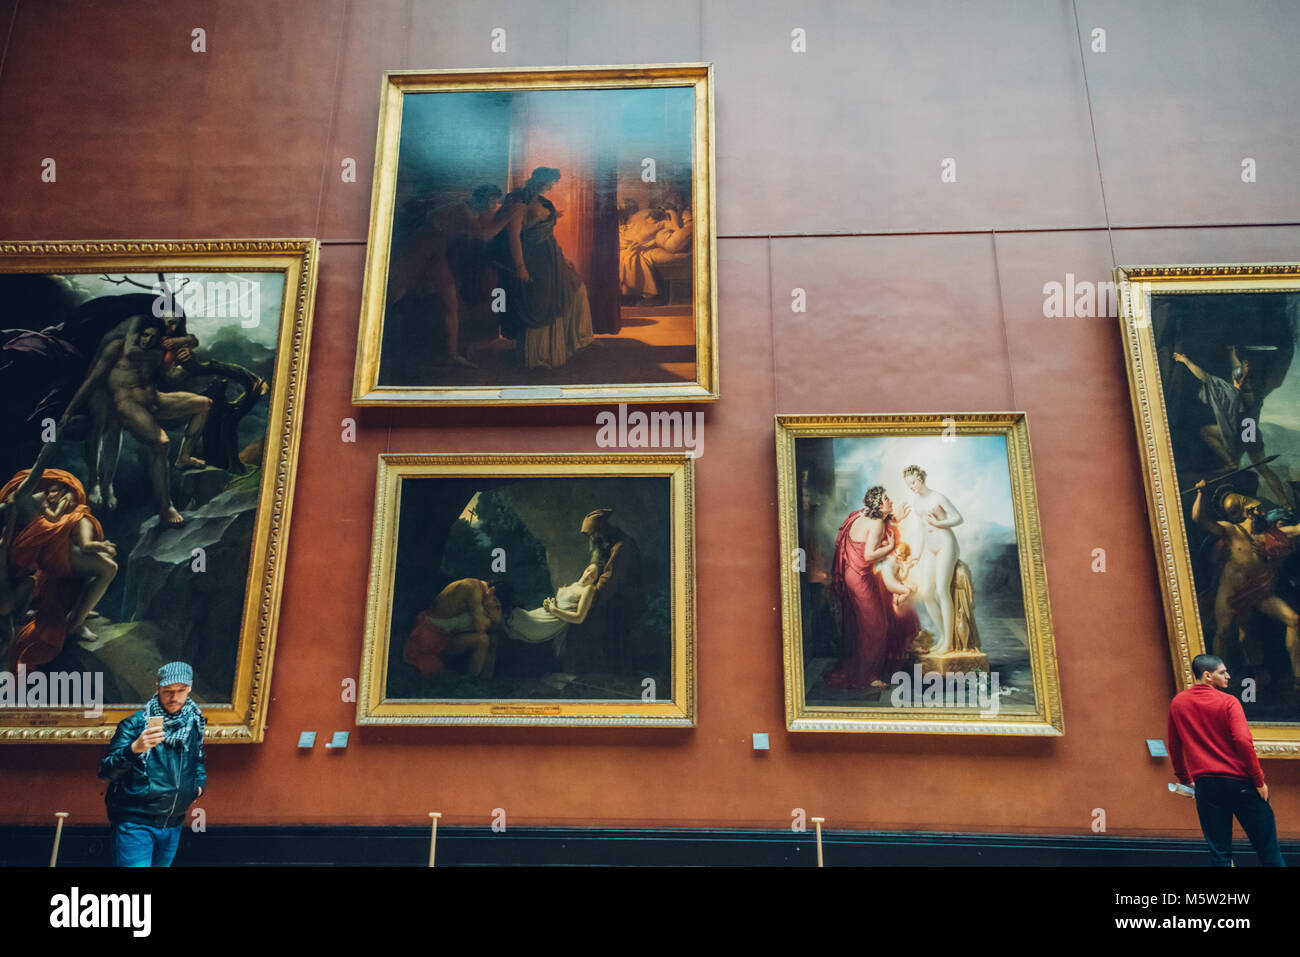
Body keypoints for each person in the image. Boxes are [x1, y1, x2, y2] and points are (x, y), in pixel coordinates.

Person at [1, 443, 118, 666]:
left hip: (53, 552)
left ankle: (77, 614)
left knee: (92, 563)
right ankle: (74, 624)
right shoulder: (35, 501)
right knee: (107, 568)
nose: (52, 494)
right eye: (50, 491)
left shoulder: (63, 507)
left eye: (57, 491)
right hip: (51, 555)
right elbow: (52, 520)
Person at [1167, 654, 1285, 867]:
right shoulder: (1229, 701)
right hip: (1239, 782)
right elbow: (1243, 741)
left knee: (1220, 855)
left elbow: (1175, 746)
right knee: (1268, 850)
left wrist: (1185, 779)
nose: (1228, 676)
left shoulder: (1178, 703)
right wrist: (1259, 781)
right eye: (1222, 672)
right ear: (1207, 675)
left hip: (1206, 785)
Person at [1193, 479, 1300, 689]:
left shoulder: (1268, 535)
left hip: (1259, 592)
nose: (1261, 509)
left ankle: (1298, 680)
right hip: (1231, 593)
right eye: (1256, 507)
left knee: (1294, 620)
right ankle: (1211, 687)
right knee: (1223, 633)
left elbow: (1297, 529)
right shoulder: (1231, 531)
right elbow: (1199, 519)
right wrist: (1200, 494)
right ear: (1245, 512)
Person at [98, 661, 206, 868]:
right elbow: (106, 772)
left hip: (174, 822)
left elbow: (198, 760)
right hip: (136, 823)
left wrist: (198, 787)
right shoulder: (135, 724)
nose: (174, 698)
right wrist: (134, 749)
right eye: (168, 691)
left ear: (189, 688)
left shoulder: (194, 721)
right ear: (157, 688)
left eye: (180, 691)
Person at [491, 166, 594, 369]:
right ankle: (536, 357)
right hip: (533, 259)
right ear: (539, 179)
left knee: (573, 291)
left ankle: (562, 347)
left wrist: (562, 258)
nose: (552, 186)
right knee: (540, 303)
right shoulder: (518, 201)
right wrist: (520, 266)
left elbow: (545, 230)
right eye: (550, 181)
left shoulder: (541, 200)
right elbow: (514, 237)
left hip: (551, 257)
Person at [823, 486, 914, 690]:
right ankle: (868, 676)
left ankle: (865, 669)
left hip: (853, 574)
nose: (890, 500)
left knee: (865, 624)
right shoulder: (876, 525)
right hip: (859, 578)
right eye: (886, 498)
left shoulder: (863, 515)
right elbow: (869, 555)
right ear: (879, 505)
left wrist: (893, 519)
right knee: (875, 626)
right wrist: (889, 548)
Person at [900, 465, 963, 655]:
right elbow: (920, 530)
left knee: (941, 590)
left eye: (912, 483)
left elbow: (958, 518)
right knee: (927, 592)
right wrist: (918, 553)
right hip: (929, 546)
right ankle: (944, 636)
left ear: (920, 479)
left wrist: (939, 523)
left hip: (945, 543)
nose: (911, 487)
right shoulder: (916, 501)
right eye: (908, 485)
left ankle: (950, 642)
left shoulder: (938, 497)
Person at [403, 578, 508, 679]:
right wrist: (495, 618)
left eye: (497, 606)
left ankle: (482, 682)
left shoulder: (485, 595)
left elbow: (494, 623)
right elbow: (481, 626)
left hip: (447, 636)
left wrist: (496, 617)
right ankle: (469, 681)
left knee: (489, 639)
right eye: (494, 600)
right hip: (429, 637)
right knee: (484, 638)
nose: (492, 605)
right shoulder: (472, 588)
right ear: (492, 590)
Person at [503, 563, 600, 656]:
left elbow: (579, 618)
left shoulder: (589, 589)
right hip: (544, 613)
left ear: (595, 580)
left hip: (551, 622)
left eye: (592, 576)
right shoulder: (574, 584)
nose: (587, 575)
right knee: (512, 616)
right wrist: (549, 603)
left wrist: (553, 609)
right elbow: (561, 603)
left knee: (515, 617)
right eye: (588, 571)